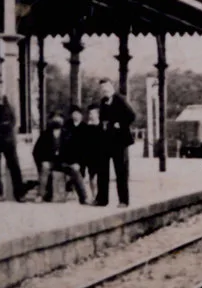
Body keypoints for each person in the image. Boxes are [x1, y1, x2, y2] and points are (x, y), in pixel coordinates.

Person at [33, 111, 91, 204]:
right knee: (44, 168)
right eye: (54, 118)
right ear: (50, 120)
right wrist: (42, 161)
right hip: (50, 162)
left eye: (59, 118)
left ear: (63, 121)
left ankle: (84, 197)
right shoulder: (45, 134)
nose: (57, 120)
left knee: (75, 170)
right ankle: (40, 195)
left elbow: (75, 150)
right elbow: (37, 151)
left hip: (64, 162)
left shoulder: (68, 134)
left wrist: (76, 163)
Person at [96, 77, 136, 208]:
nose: (104, 90)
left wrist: (120, 124)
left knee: (120, 171)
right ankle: (102, 199)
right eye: (102, 89)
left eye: (106, 88)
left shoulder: (120, 100)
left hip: (119, 142)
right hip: (105, 141)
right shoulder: (102, 102)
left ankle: (123, 200)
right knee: (102, 170)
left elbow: (131, 116)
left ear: (111, 87)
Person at [80, 104, 104, 198]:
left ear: (98, 114)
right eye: (90, 113)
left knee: (101, 176)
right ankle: (94, 195)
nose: (91, 115)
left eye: (93, 113)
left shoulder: (103, 126)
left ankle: (101, 194)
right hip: (90, 156)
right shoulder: (87, 128)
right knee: (92, 175)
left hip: (101, 154)